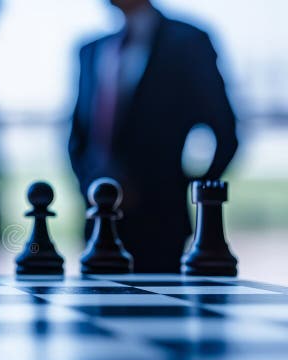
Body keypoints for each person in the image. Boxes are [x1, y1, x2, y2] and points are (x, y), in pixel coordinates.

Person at [68, 0, 238, 273]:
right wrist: (89, 186)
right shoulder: (89, 50)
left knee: (162, 311)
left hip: (161, 221)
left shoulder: (189, 42)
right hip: (98, 218)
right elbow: (78, 136)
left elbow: (225, 131)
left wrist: (185, 188)